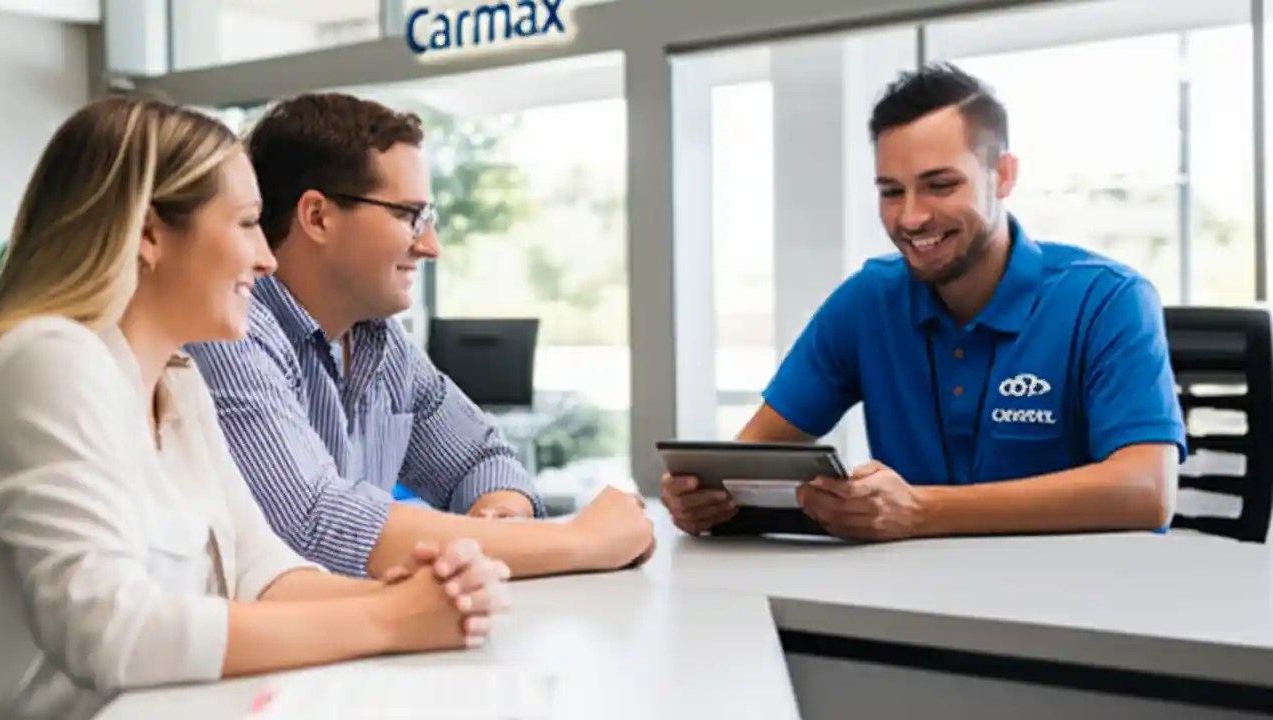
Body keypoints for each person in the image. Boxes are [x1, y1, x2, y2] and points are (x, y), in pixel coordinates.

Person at [0, 98, 510, 720]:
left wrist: (419, 596)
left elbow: (264, 574)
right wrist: (390, 618)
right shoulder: (48, 358)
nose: (266, 259)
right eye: (246, 224)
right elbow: (111, 631)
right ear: (151, 233)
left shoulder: (179, 383)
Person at [662, 64, 1186, 540]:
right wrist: (705, 498)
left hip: (1084, 611)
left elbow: (1146, 492)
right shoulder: (868, 302)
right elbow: (746, 457)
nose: (911, 218)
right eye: (892, 191)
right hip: (919, 605)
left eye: (939, 185)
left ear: (1003, 175)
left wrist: (921, 511)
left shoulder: (1109, 299)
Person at [186, 92, 654, 580]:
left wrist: (502, 520)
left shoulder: (380, 340)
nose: (430, 246)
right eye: (409, 215)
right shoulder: (231, 333)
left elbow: (481, 456)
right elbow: (313, 525)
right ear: (318, 216)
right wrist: (578, 541)